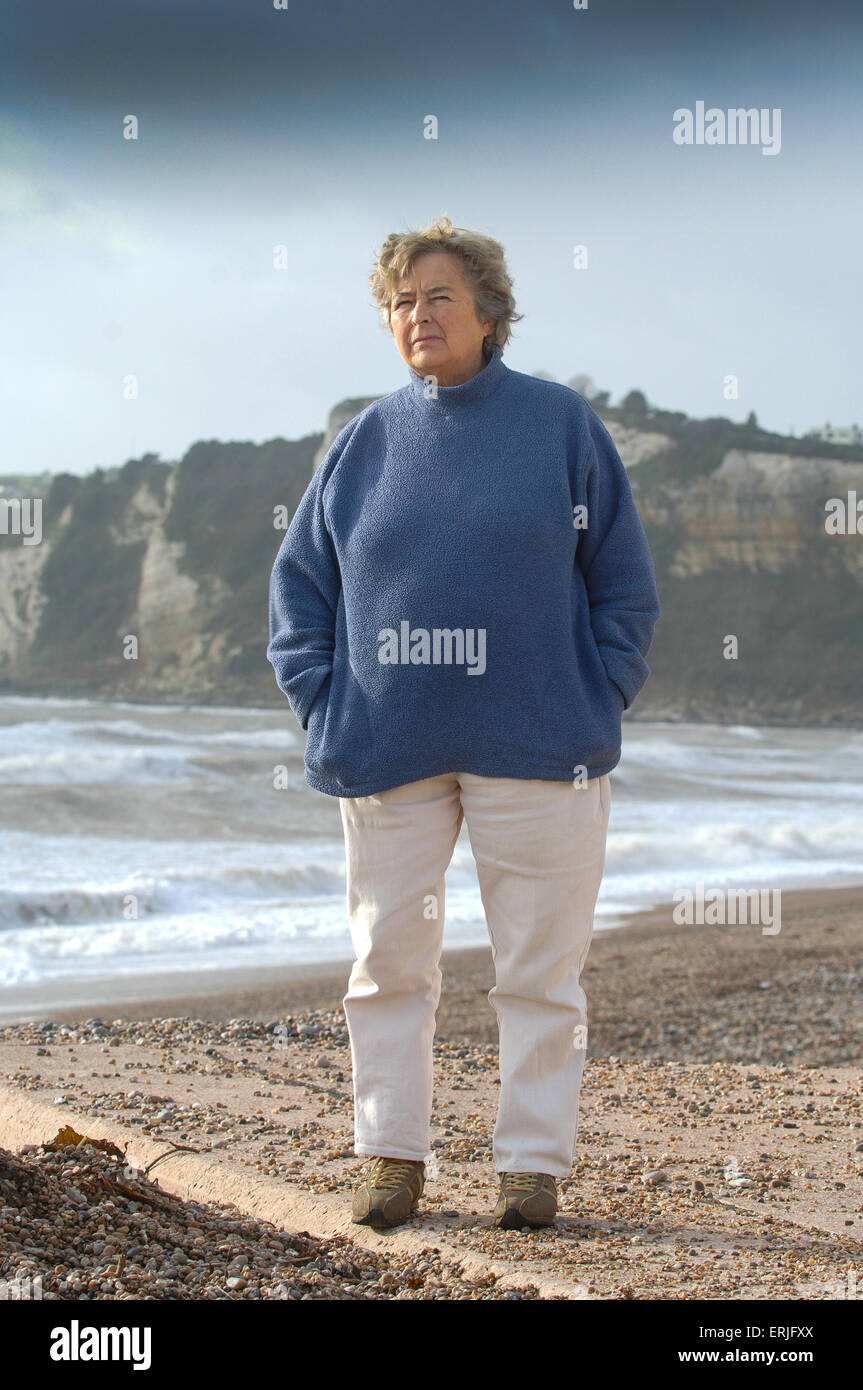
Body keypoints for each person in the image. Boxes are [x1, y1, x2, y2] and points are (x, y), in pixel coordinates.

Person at [267, 214, 660, 1231]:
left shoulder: (559, 425)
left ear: (488, 311)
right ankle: (389, 1157)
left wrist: (597, 685)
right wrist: (322, 693)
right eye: (399, 301)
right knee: (387, 964)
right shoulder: (362, 440)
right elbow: (300, 586)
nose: (416, 314)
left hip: (538, 746)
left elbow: (621, 581)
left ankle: (529, 1167)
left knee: (538, 969)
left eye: (437, 295)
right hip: (384, 747)